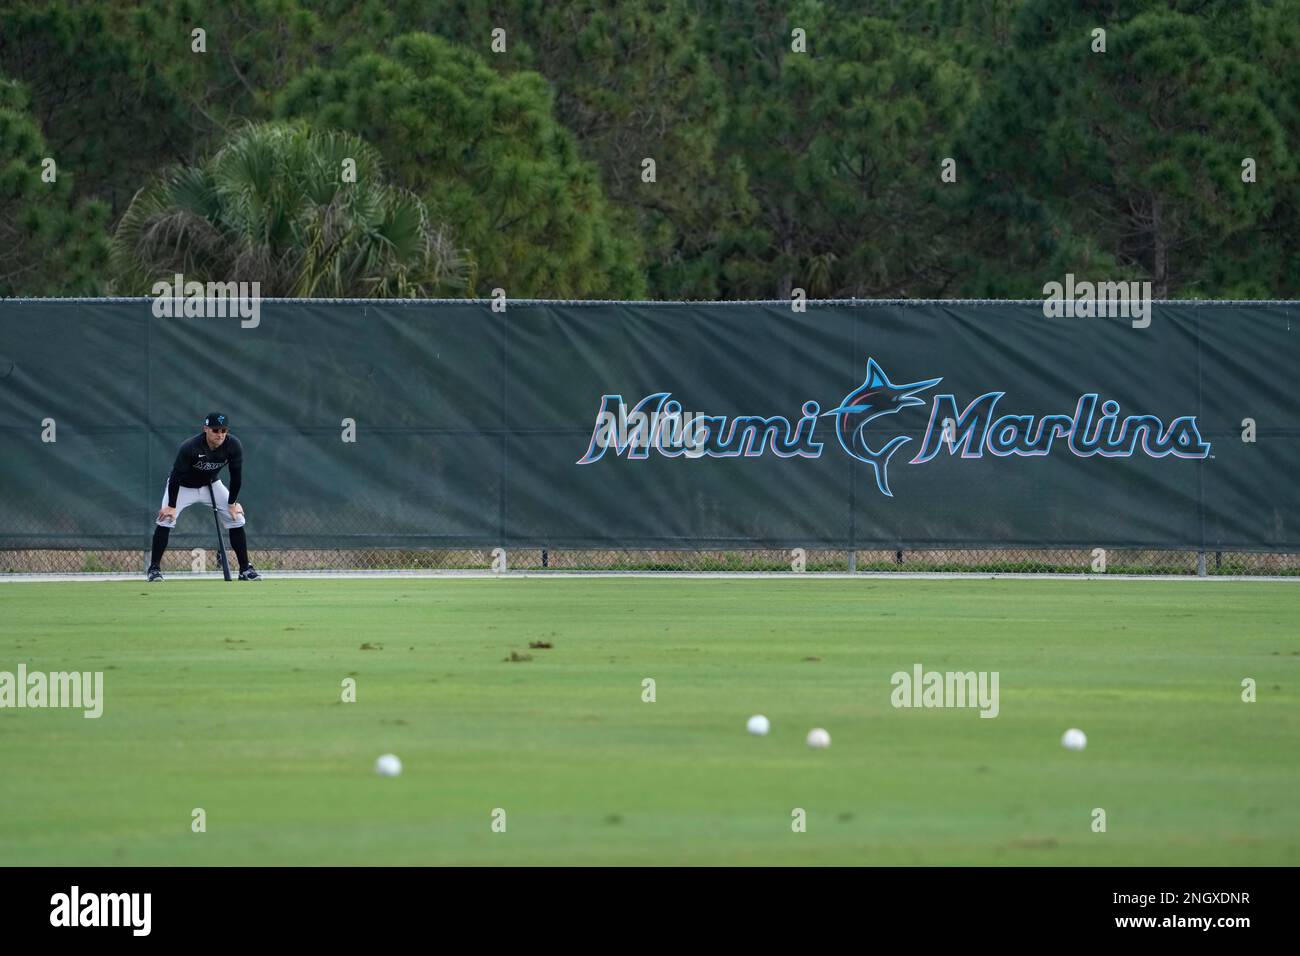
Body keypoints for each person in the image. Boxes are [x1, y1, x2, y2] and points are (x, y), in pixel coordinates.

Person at [147, 412, 260, 581]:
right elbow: (176, 476)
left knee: (236, 518)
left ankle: (245, 569)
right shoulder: (190, 446)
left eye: (224, 430)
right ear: (206, 429)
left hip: (211, 484)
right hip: (183, 486)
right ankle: (154, 569)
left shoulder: (233, 445)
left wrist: (232, 503)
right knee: (166, 519)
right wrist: (171, 505)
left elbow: (236, 477)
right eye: (215, 430)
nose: (220, 434)